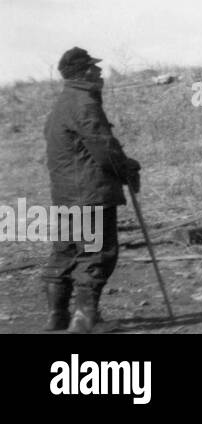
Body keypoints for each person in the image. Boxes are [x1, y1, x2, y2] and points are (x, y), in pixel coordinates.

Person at [42, 47, 141, 333]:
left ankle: (57, 317)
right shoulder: (84, 103)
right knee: (95, 254)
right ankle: (83, 322)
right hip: (90, 195)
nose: (99, 73)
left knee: (65, 252)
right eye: (95, 68)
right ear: (84, 72)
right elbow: (104, 149)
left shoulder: (61, 104)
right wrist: (127, 169)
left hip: (65, 197)